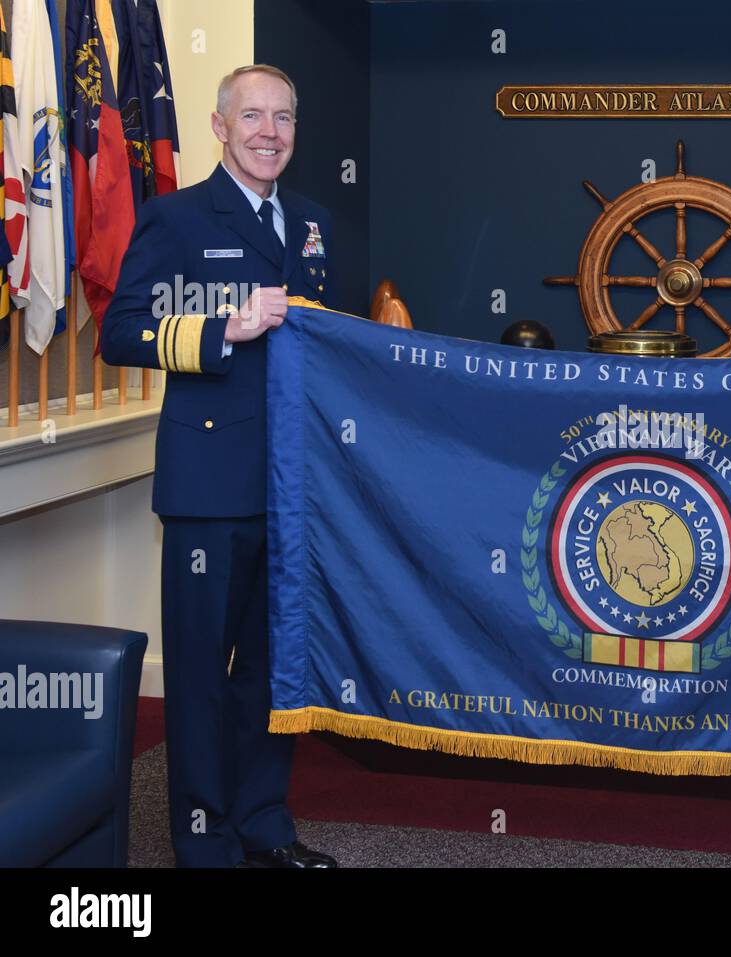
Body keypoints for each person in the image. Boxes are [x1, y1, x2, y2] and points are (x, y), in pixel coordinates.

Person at [101, 64, 337, 868]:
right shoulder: (174, 216)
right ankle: (204, 844)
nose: (269, 132)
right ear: (219, 126)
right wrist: (220, 328)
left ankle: (264, 823)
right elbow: (121, 332)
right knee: (200, 677)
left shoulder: (309, 223)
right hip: (209, 483)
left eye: (284, 117)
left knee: (273, 673)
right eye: (253, 117)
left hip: (291, 484)